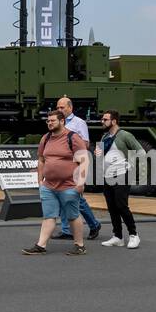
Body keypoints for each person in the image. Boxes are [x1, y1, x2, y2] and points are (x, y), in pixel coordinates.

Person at [22, 107, 91, 256]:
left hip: (68, 186)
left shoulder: (73, 138)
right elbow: (41, 160)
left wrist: (81, 183)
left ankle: (79, 245)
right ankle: (41, 245)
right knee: (49, 216)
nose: (49, 123)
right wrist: (40, 180)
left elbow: (84, 161)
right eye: (48, 121)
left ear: (62, 121)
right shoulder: (45, 138)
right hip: (48, 186)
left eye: (53, 121)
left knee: (73, 216)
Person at [50, 97, 101, 240]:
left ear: (70, 108)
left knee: (75, 197)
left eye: (62, 108)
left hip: (74, 165)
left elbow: (85, 145)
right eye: (58, 108)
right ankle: (67, 230)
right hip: (61, 166)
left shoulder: (79, 123)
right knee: (63, 197)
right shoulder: (57, 124)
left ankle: (94, 224)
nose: (59, 110)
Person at [95, 110, 143, 248]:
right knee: (112, 207)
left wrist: (130, 166)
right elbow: (101, 155)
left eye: (105, 120)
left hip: (122, 174)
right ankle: (118, 236)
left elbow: (141, 152)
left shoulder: (125, 135)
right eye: (102, 119)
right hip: (107, 176)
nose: (102, 122)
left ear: (114, 121)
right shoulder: (104, 137)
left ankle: (134, 235)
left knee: (121, 205)